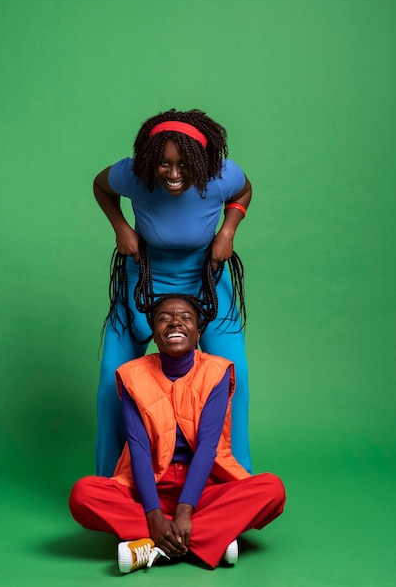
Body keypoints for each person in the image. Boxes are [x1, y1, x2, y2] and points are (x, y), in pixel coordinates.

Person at [69, 295, 285, 573]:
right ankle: (208, 539)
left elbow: (208, 447)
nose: (174, 322)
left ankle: (152, 546)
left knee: (272, 489)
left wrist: (184, 511)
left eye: (185, 317)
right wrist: (154, 514)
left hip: (203, 487)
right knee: (83, 494)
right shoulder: (133, 374)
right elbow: (138, 449)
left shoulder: (216, 372)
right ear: (154, 335)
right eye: (163, 318)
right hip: (148, 488)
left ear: (198, 331)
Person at [94, 108, 253, 477]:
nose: (174, 174)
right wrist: (121, 226)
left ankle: (236, 480)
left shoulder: (223, 174)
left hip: (206, 277)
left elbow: (244, 191)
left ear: (201, 160)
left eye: (184, 165)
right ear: (150, 161)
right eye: (164, 164)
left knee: (236, 377)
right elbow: (100, 186)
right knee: (109, 380)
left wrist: (228, 232)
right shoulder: (131, 174)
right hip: (144, 277)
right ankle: (111, 484)